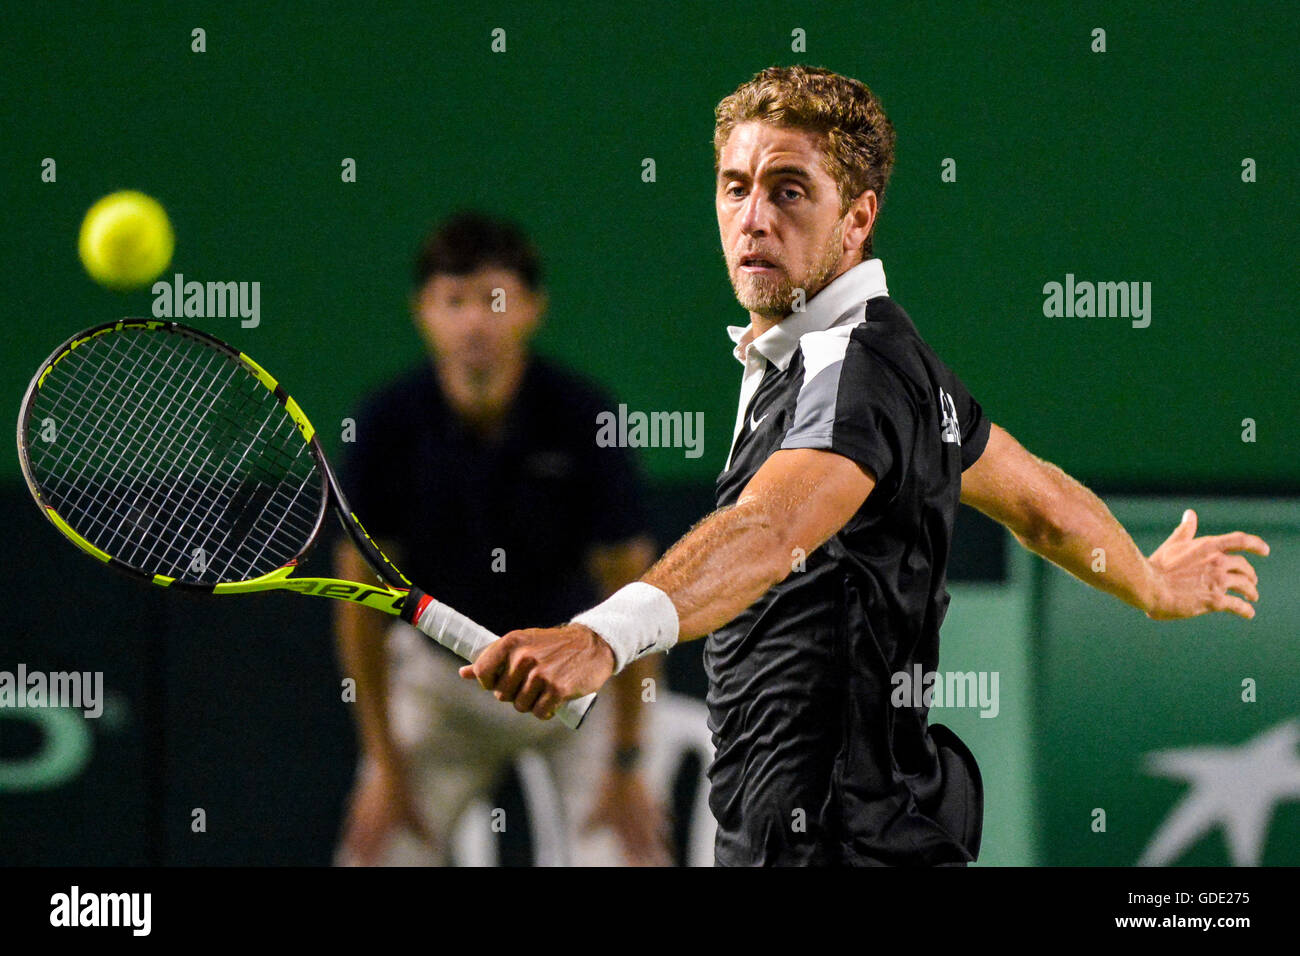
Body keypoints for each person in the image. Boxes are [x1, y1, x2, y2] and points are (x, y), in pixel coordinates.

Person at [453, 66, 1272, 866]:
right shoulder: (880, 360)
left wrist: (600, 638)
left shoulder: (856, 367)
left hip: (831, 831)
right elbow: (1042, 504)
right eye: (734, 187)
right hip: (853, 820)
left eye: (789, 190)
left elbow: (771, 530)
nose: (753, 219)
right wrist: (1149, 583)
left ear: (857, 217)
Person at [333, 212, 668, 866]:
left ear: (532, 309)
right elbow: (357, 601)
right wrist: (383, 766)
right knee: (376, 855)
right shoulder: (385, 422)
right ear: (422, 312)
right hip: (439, 685)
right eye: (453, 302)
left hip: (573, 672)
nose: (474, 323)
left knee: (626, 857)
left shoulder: (584, 415)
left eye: (494, 299)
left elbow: (635, 591)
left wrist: (628, 762)